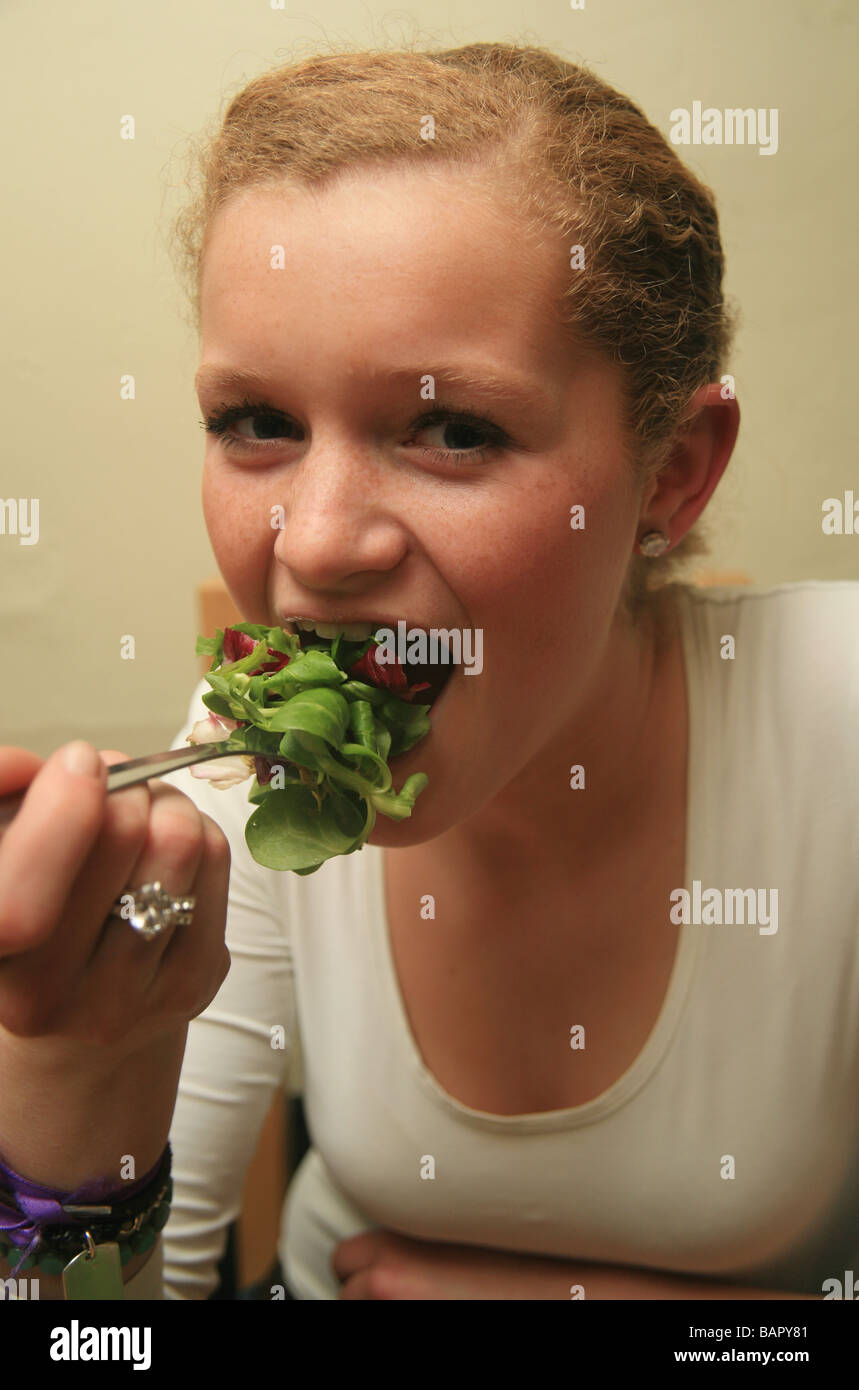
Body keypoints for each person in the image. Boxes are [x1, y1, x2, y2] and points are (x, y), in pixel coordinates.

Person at [1, 41, 855, 1302]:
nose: (319, 544)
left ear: (671, 471)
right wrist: (71, 1083)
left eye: (455, 430)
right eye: (257, 423)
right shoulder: (232, 784)